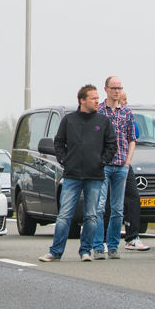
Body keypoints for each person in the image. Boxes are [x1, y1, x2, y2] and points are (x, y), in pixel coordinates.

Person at [38, 84, 114, 263]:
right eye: (93, 98)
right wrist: (65, 160)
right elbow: (59, 143)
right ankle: (55, 252)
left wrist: (102, 161)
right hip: (72, 176)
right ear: (82, 100)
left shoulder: (103, 121)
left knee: (91, 216)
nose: (97, 101)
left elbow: (112, 145)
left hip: (95, 176)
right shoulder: (68, 120)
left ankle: (85, 251)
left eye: (97, 98)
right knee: (64, 215)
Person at [98, 76, 143, 257]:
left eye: (119, 88)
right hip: (103, 165)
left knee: (117, 208)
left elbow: (132, 138)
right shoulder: (99, 111)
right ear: (106, 89)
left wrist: (127, 162)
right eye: (113, 88)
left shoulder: (127, 112)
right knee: (100, 206)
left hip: (121, 164)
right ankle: (99, 244)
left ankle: (113, 245)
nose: (116, 91)